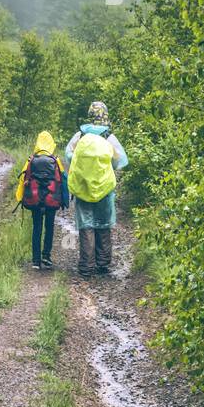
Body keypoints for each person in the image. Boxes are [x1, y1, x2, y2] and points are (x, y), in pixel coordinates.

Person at [65, 100, 129, 278]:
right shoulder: (109, 137)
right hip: (105, 189)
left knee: (86, 225)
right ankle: (103, 264)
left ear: (89, 114)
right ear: (105, 115)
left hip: (83, 188)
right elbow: (121, 161)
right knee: (104, 224)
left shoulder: (80, 135)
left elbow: (69, 156)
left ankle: (86, 266)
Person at [14, 130, 68, 270]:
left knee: (37, 227)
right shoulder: (56, 161)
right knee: (49, 227)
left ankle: (36, 261)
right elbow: (63, 180)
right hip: (51, 200)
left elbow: (22, 179)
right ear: (51, 144)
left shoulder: (31, 160)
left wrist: (20, 198)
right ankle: (46, 256)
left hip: (35, 199)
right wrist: (64, 200)